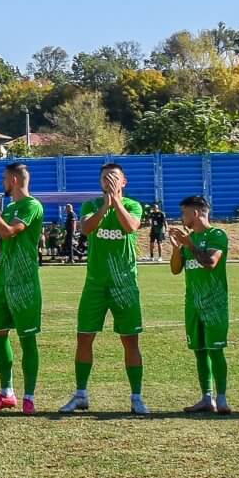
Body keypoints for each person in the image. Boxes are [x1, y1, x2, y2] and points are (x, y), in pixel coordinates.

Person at [68, 163, 147, 415]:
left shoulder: (133, 205)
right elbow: (86, 228)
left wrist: (116, 202)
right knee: (84, 337)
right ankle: (81, 394)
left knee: (130, 341)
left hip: (125, 285)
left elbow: (131, 227)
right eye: (105, 178)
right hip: (95, 285)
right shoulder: (91, 206)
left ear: (124, 182)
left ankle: (136, 397)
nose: (108, 181)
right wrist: (105, 205)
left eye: (114, 178)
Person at [0, 162, 45, 412]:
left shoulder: (31, 205)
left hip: (25, 283)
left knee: (27, 339)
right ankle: (7, 392)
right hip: (3, 280)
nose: (3, 183)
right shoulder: (9, 207)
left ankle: (29, 397)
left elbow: (8, 232)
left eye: (5, 178)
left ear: (14, 180)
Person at [170, 195, 232, 414]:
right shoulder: (189, 239)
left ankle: (222, 398)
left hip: (214, 304)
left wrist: (190, 244)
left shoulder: (217, 235)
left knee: (216, 351)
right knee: (199, 351)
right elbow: (176, 269)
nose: (182, 217)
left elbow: (210, 263)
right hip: (193, 304)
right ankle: (207, 398)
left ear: (195, 213)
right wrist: (178, 248)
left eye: (184, 213)